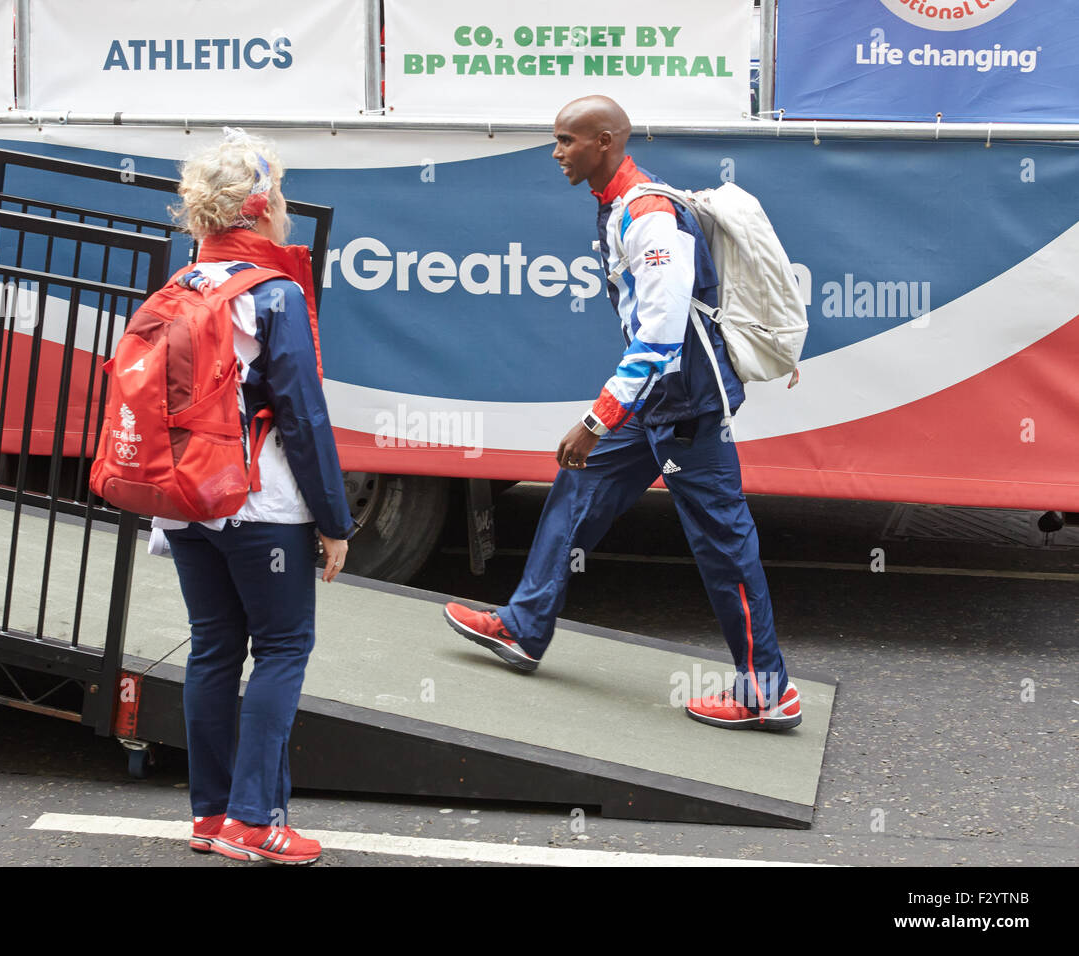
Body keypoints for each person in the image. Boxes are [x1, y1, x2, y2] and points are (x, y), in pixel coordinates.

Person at [443, 96, 801, 732]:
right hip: (659, 400)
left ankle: (766, 691)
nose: (556, 152)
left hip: (685, 404)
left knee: (724, 543)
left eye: (566, 141)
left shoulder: (649, 218)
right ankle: (524, 627)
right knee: (576, 487)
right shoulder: (618, 205)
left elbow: (660, 339)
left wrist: (595, 421)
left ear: (604, 142)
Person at [155, 128, 354, 863]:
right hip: (258, 502)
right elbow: (302, 415)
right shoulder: (273, 294)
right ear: (262, 208)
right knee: (281, 648)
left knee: (213, 646)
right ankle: (255, 821)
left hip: (182, 499)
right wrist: (336, 520)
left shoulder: (182, 285)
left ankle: (211, 818)